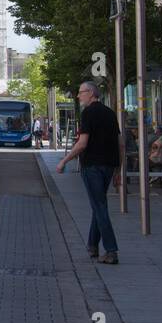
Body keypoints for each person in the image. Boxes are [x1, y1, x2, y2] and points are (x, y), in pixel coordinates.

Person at [57, 81, 120, 264]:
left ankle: (111, 250)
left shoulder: (88, 113)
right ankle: (92, 245)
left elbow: (82, 143)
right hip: (109, 165)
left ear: (91, 93)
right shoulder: (110, 113)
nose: (79, 96)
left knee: (100, 207)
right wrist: (118, 169)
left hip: (92, 166)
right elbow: (120, 143)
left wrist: (64, 161)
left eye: (81, 92)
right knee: (98, 205)